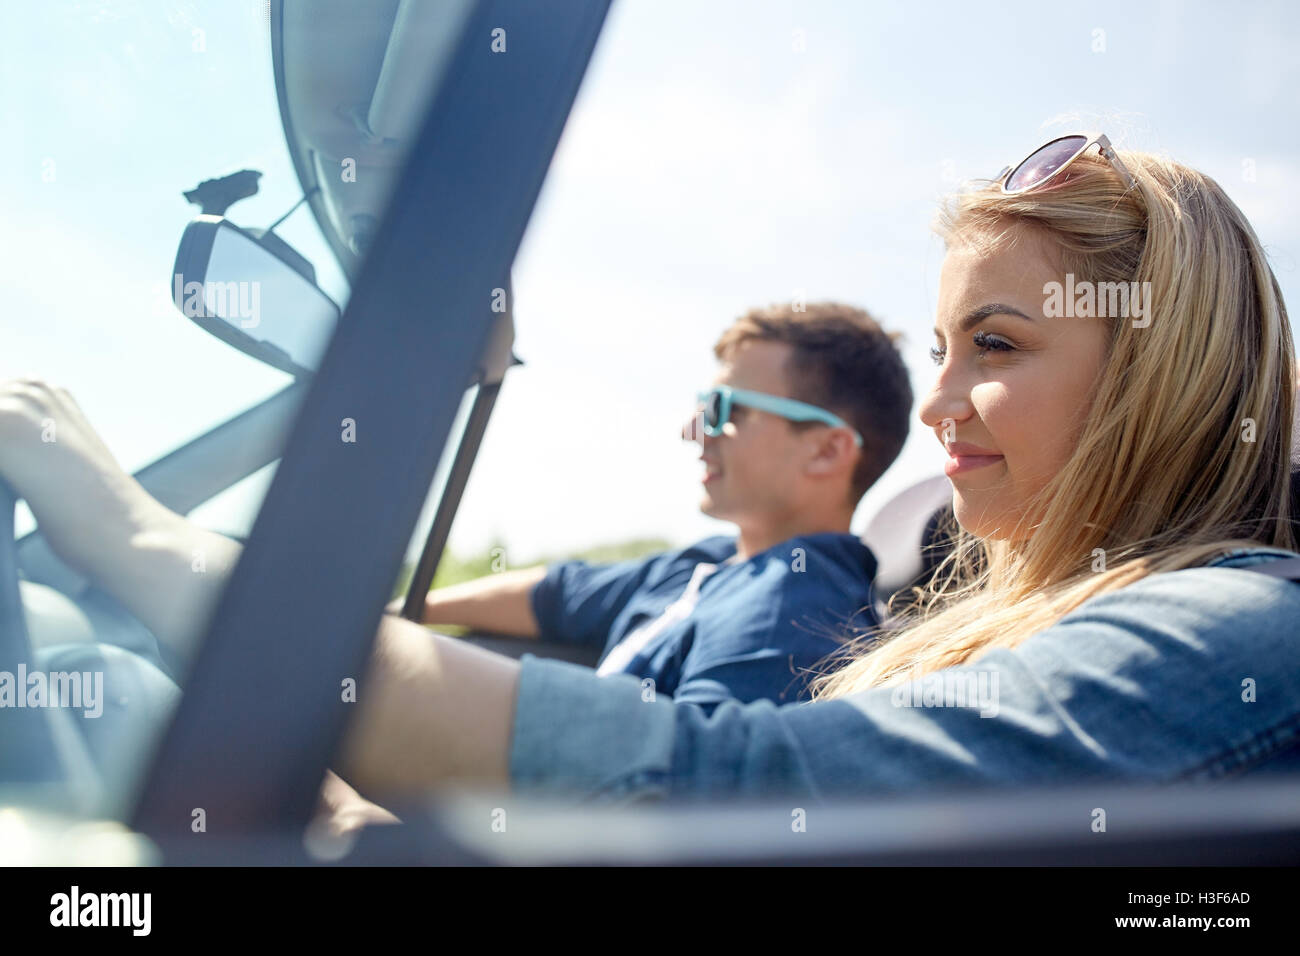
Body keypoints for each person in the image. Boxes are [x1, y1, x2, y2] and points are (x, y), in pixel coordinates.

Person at [2, 134, 1298, 817]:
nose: (945, 397)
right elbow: (540, 593)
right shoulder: (697, 580)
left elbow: (729, 797)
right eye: (942, 345)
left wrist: (146, 546)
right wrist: (383, 617)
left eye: (999, 345)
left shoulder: (1245, 624)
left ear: (1159, 369)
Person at [385, 302, 912, 710]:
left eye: (722, 408)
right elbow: (554, 594)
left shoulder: (790, 608)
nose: (693, 431)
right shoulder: (711, 562)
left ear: (826, 449)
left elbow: (682, 797)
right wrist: (394, 616)